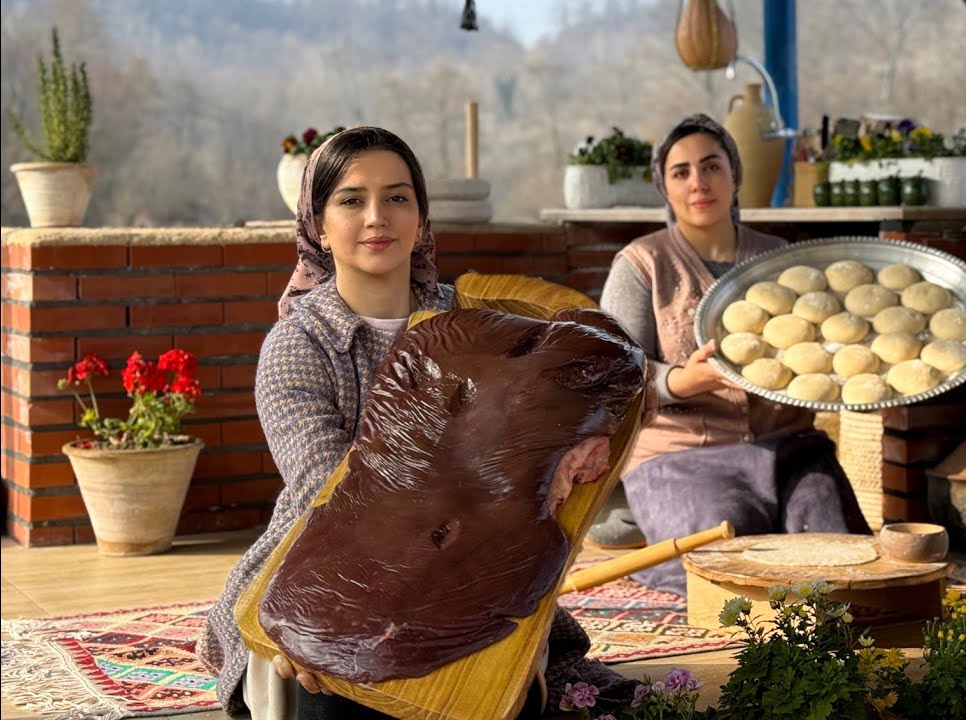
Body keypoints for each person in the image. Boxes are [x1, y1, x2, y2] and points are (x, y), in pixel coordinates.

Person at [196, 126, 634, 719]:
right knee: (333, 698)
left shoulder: (475, 318)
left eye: (397, 198)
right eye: (352, 200)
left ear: (422, 219)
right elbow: (330, 491)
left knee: (498, 696)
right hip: (331, 557)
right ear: (318, 225)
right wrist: (316, 621)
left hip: (474, 553)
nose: (377, 217)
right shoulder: (298, 346)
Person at [597, 113, 872, 596]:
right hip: (683, 456)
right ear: (665, 187)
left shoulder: (780, 259)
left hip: (788, 446)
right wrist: (681, 381)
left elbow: (825, 345)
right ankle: (651, 534)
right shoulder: (642, 263)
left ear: (735, 175)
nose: (698, 183)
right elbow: (611, 371)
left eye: (711, 166)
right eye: (681, 172)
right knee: (727, 558)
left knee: (838, 551)